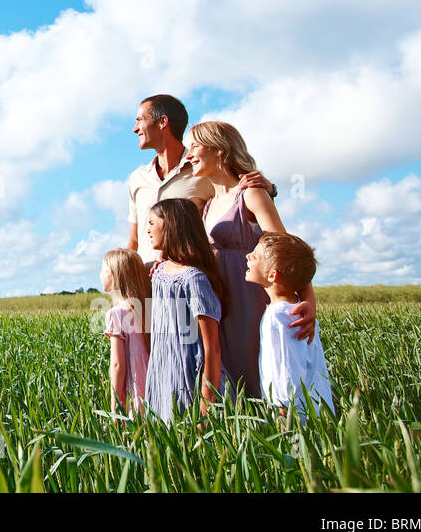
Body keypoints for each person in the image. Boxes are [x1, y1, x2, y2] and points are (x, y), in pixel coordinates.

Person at [187, 120, 316, 399]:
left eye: (194, 146)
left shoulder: (252, 194)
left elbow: (286, 251)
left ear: (219, 149)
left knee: (256, 373)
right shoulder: (208, 204)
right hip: (220, 302)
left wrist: (308, 299)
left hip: (249, 299)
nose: (188, 155)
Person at [126, 95, 274, 264]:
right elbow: (134, 240)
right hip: (148, 280)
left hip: (192, 278)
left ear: (162, 122)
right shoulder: (137, 178)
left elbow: (244, 205)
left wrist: (269, 191)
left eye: (139, 120)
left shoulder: (205, 170)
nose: (135, 128)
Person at [143, 198, 227, 422]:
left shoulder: (194, 280)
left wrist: (206, 405)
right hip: (162, 372)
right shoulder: (159, 273)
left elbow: (212, 349)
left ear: (171, 225)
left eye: (152, 222)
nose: (147, 229)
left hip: (189, 374)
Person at [245, 232, 334, 421]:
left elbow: (285, 365)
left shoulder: (278, 316)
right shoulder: (301, 313)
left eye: (255, 255)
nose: (248, 256)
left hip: (292, 412)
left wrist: (282, 406)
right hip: (315, 407)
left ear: (272, 275)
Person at [99, 248, 151, 416]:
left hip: (135, 387)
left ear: (114, 275)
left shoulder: (116, 314)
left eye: (103, 270)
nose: (100, 274)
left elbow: (117, 364)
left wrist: (114, 401)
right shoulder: (148, 308)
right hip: (154, 383)